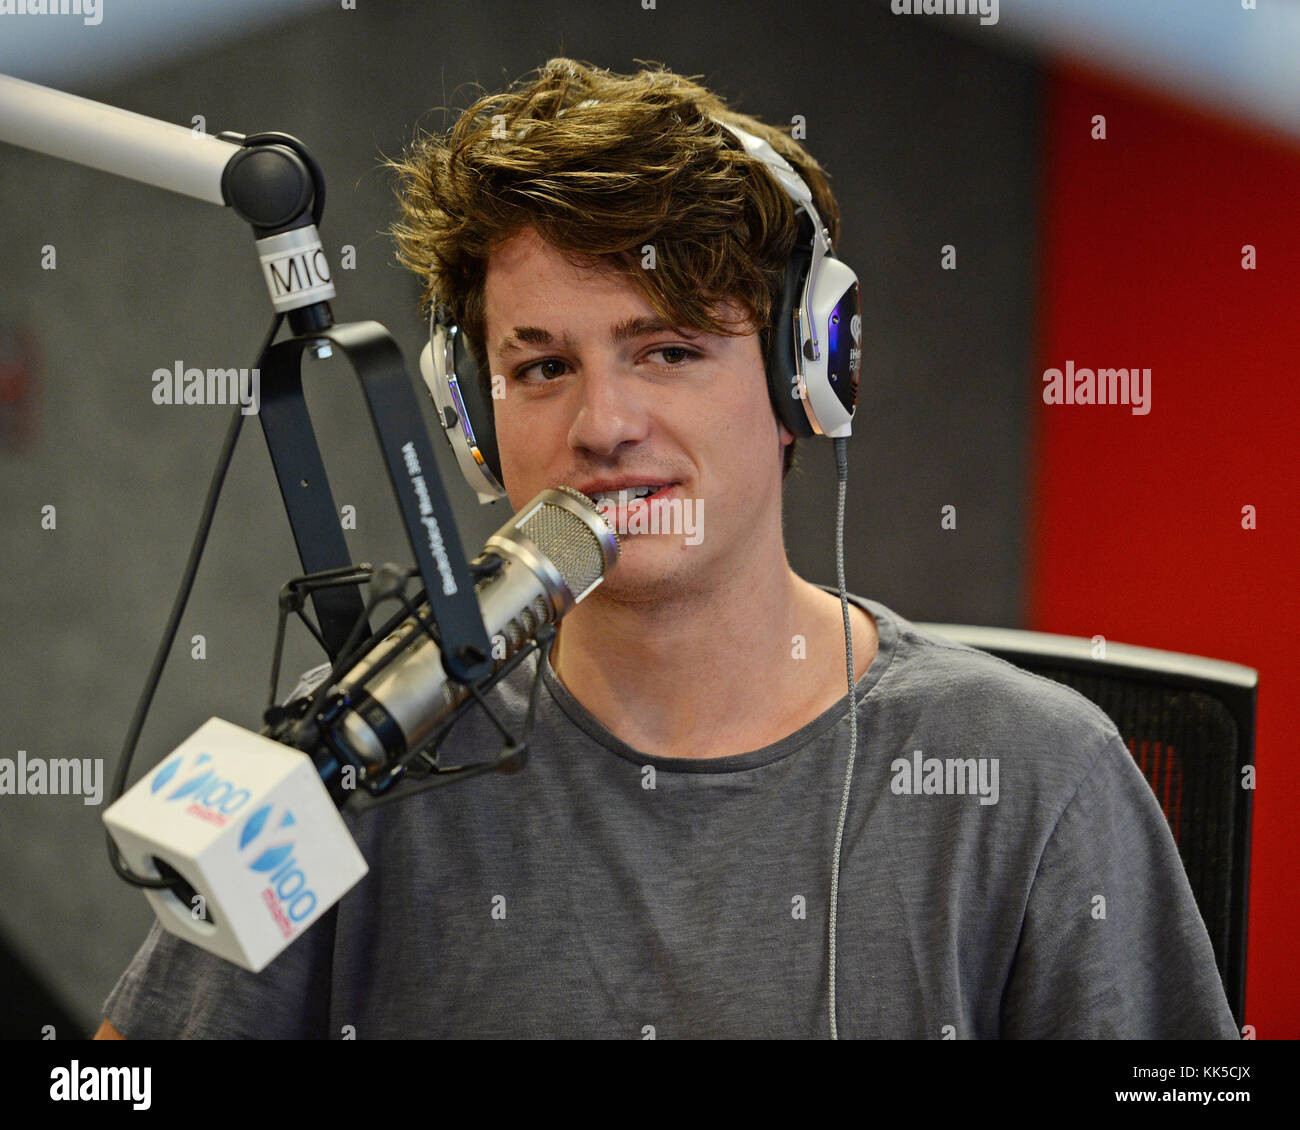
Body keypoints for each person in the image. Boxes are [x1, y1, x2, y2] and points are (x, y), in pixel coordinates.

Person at [95, 57, 1237, 1040]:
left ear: (807, 377)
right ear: (470, 417)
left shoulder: (1032, 775)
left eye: (668, 350)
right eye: (543, 366)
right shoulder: (369, 737)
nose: (603, 424)